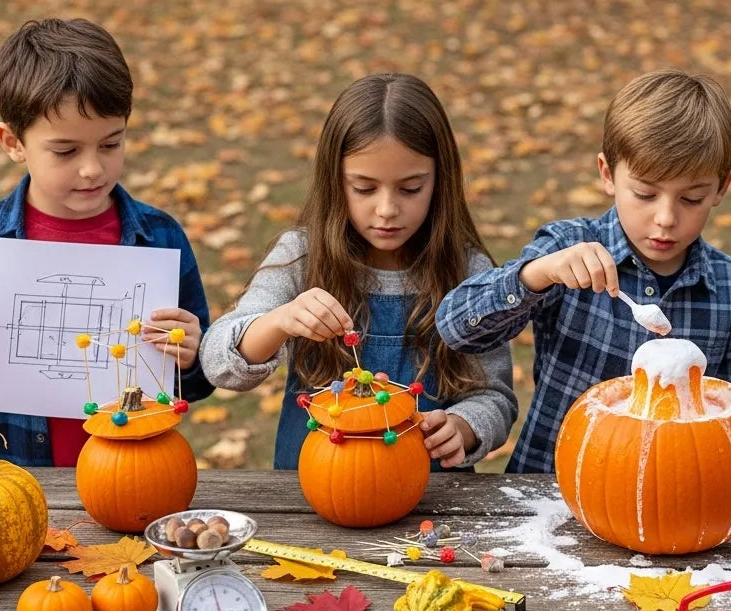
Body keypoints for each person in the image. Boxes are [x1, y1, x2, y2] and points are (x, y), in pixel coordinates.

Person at [0, 18, 213, 466]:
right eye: (65, 151)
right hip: (16, 476)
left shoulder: (160, 238)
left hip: (132, 473)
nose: (92, 169)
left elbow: (195, 383)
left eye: (110, 144)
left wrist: (192, 355)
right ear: (13, 142)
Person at [435, 68, 731, 473]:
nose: (665, 218)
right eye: (645, 194)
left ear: (722, 187)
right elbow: (455, 329)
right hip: (548, 484)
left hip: (671, 489)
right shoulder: (566, 249)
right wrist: (536, 275)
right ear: (608, 175)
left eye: (691, 199)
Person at [201, 74, 516, 471]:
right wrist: (279, 321)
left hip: (431, 495)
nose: (387, 210)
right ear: (336, 181)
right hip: (312, 493)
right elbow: (218, 363)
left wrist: (463, 426)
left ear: (440, 181)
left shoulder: (467, 270)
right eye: (365, 189)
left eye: (410, 189)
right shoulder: (302, 256)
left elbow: (495, 396)